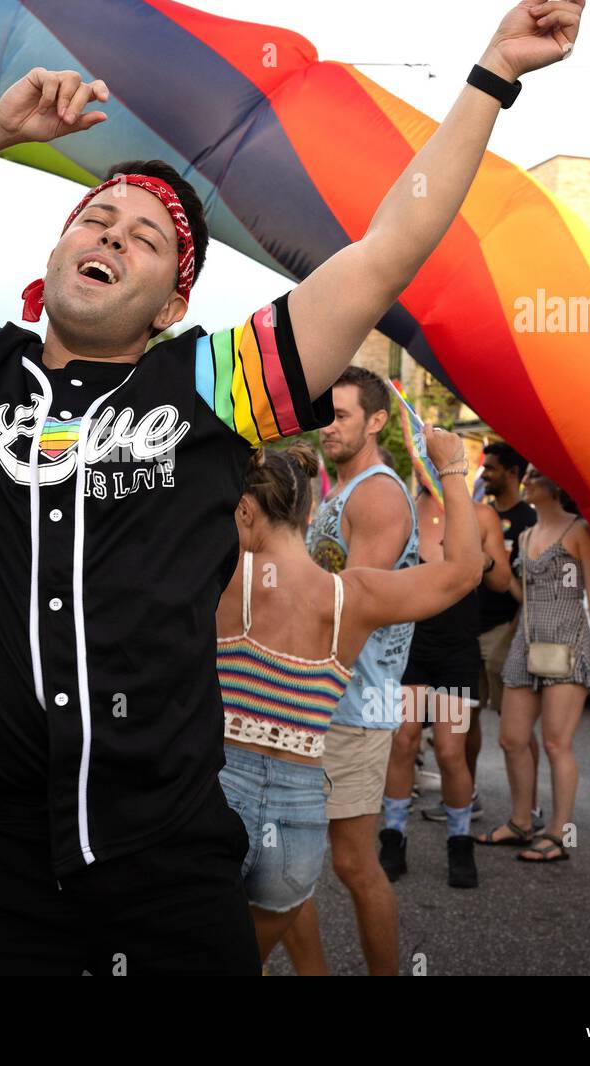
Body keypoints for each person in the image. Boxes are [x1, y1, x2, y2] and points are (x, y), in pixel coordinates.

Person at [0, 0, 585, 975]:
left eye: (147, 239)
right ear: (53, 258)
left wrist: (492, 73)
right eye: (95, 221)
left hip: (163, 855)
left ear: (172, 300)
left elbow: (386, 251)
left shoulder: (213, 382)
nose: (112, 236)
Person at [218, 432, 481, 964]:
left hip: (220, 798)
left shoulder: (223, 578)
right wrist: (452, 470)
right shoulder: (352, 597)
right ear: (309, 508)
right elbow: (463, 573)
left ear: (245, 510)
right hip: (299, 814)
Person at [283, 368, 418, 975]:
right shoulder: (337, 492)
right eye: (322, 415)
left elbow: (351, 603)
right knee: (282, 858)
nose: (327, 427)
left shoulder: (379, 493)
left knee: (355, 865)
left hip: (352, 705)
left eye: (339, 416)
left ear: (377, 421)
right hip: (315, 700)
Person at [474, 464, 590, 860]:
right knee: (512, 738)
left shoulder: (578, 531)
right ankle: (520, 821)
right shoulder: (528, 533)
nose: (527, 481)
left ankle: (560, 835)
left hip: (567, 639)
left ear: (556, 485)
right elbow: (518, 591)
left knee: (556, 743)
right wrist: (491, 565)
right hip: (527, 641)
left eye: (534, 475)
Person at [384, 479, 509, 887]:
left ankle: (460, 843)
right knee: (403, 740)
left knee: (451, 750)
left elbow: (502, 581)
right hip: (408, 643)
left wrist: (481, 559)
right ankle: (393, 838)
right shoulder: (401, 507)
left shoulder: (480, 514)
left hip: (456, 649)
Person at [472, 441, 541, 818]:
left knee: (515, 725)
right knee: (465, 718)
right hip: (471, 627)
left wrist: (516, 634)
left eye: (492, 468)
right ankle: (466, 797)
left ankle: (529, 808)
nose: (484, 475)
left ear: (513, 472)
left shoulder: (530, 519)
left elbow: (528, 587)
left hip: (506, 630)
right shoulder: (479, 515)